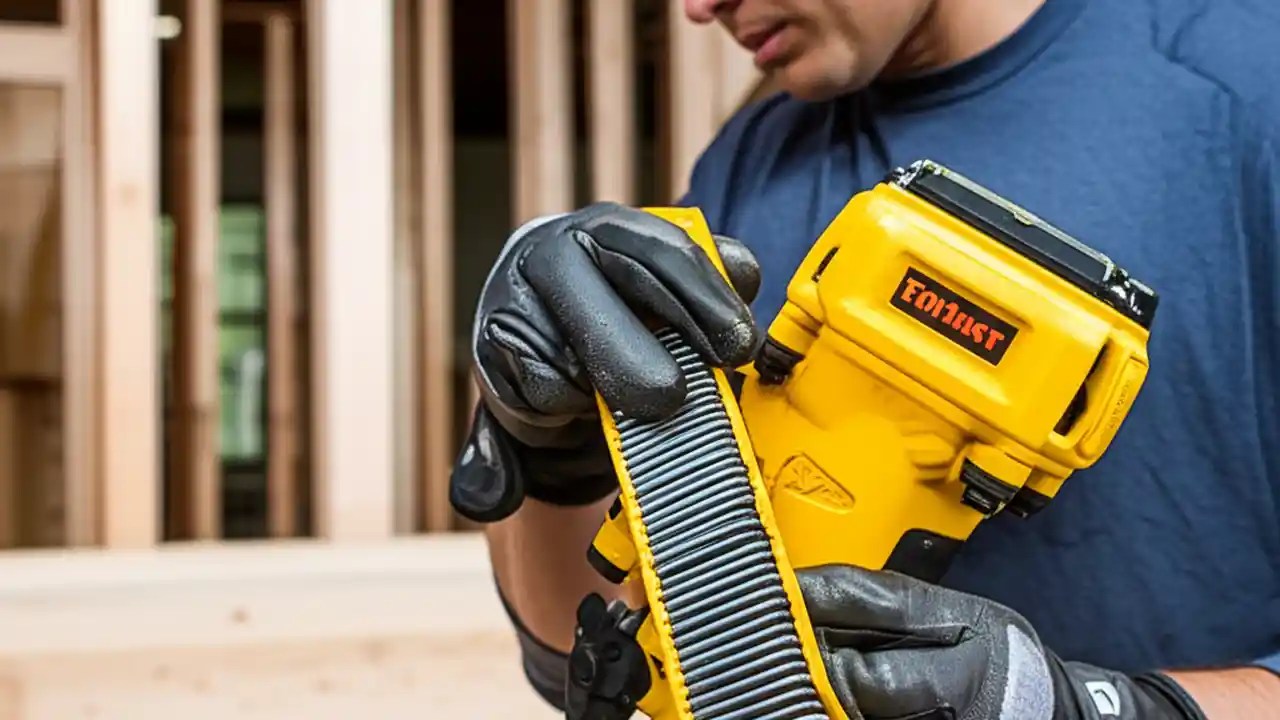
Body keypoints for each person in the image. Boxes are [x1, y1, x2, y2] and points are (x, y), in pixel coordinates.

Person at [451, 0, 1280, 717]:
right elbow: (587, 646)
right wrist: (548, 450)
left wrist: (1098, 711)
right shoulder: (752, 156)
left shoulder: (1249, 86)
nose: (697, 10)